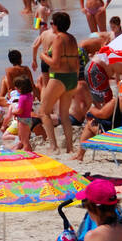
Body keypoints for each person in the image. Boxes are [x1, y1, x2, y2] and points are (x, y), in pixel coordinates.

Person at [40, 12, 80, 154]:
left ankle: (54, 146)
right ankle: (70, 147)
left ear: (56, 25)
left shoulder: (58, 39)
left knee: (43, 112)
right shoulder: (72, 39)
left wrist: (43, 56)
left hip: (59, 77)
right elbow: (77, 62)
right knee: (64, 115)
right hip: (72, 78)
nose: (51, 25)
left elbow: (55, 63)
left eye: (52, 23)